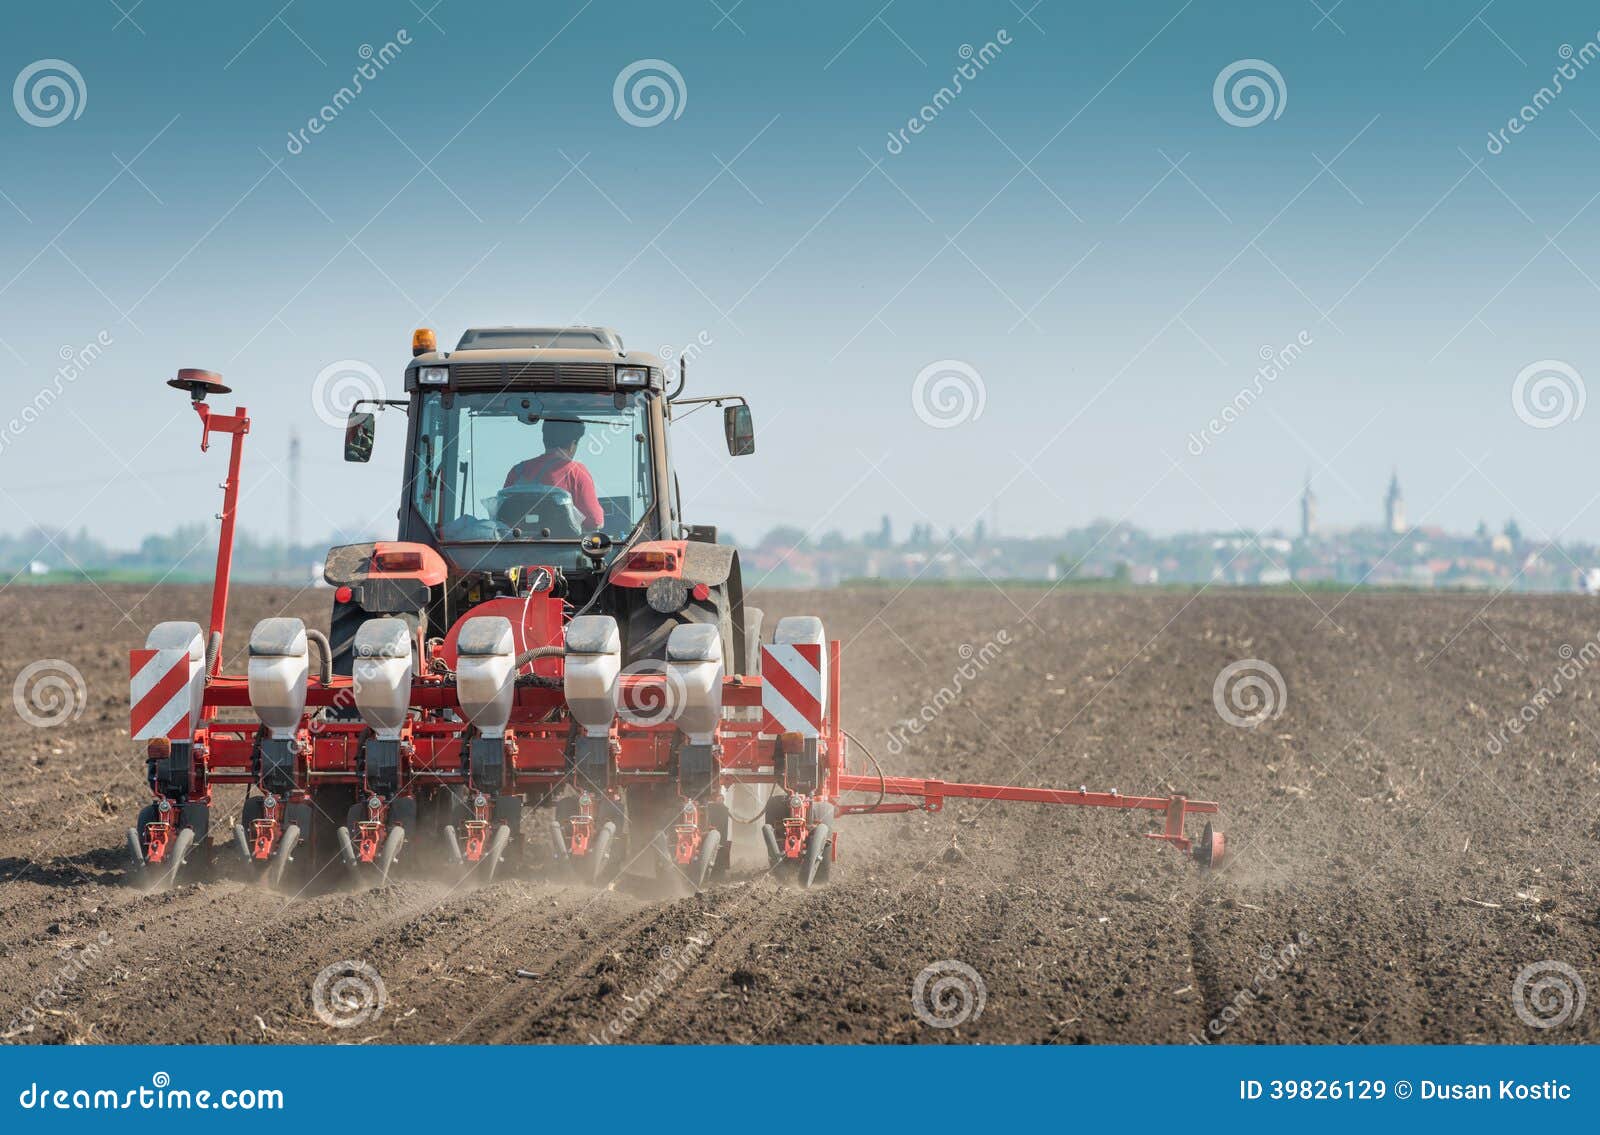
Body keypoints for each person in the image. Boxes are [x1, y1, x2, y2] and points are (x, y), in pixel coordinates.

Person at [503, 419, 606, 531]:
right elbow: (595, 521)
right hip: (561, 542)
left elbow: (502, 518)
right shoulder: (576, 472)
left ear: (544, 439)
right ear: (573, 444)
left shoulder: (517, 471)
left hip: (518, 542)